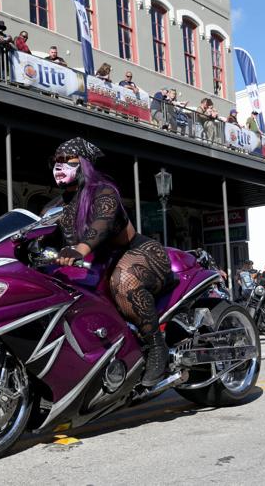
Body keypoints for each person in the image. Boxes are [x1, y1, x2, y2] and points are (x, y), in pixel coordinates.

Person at [46, 138, 174, 386]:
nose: (58, 167)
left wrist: (79, 249)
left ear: (83, 164)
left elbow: (101, 225)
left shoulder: (103, 192)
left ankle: (157, 348)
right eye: (55, 162)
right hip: (93, 263)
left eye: (66, 161)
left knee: (123, 281)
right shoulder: (57, 205)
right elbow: (32, 227)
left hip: (136, 253)